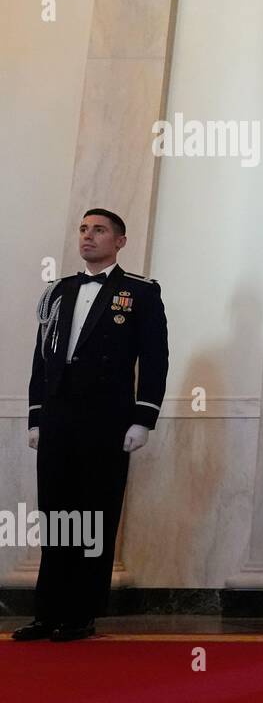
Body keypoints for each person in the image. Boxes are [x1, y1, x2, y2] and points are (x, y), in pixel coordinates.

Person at [14, 209, 168, 643]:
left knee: (95, 515)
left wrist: (143, 417)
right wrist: (37, 416)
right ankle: (48, 612)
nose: (88, 237)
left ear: (119, 241)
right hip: (60, 419)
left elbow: (155, 359)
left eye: (99, 230)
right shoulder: (59, 291)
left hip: (108, 421)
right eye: (84, 229)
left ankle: (81, 613)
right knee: (57, 514)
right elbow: (42, 359)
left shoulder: (140, 291)